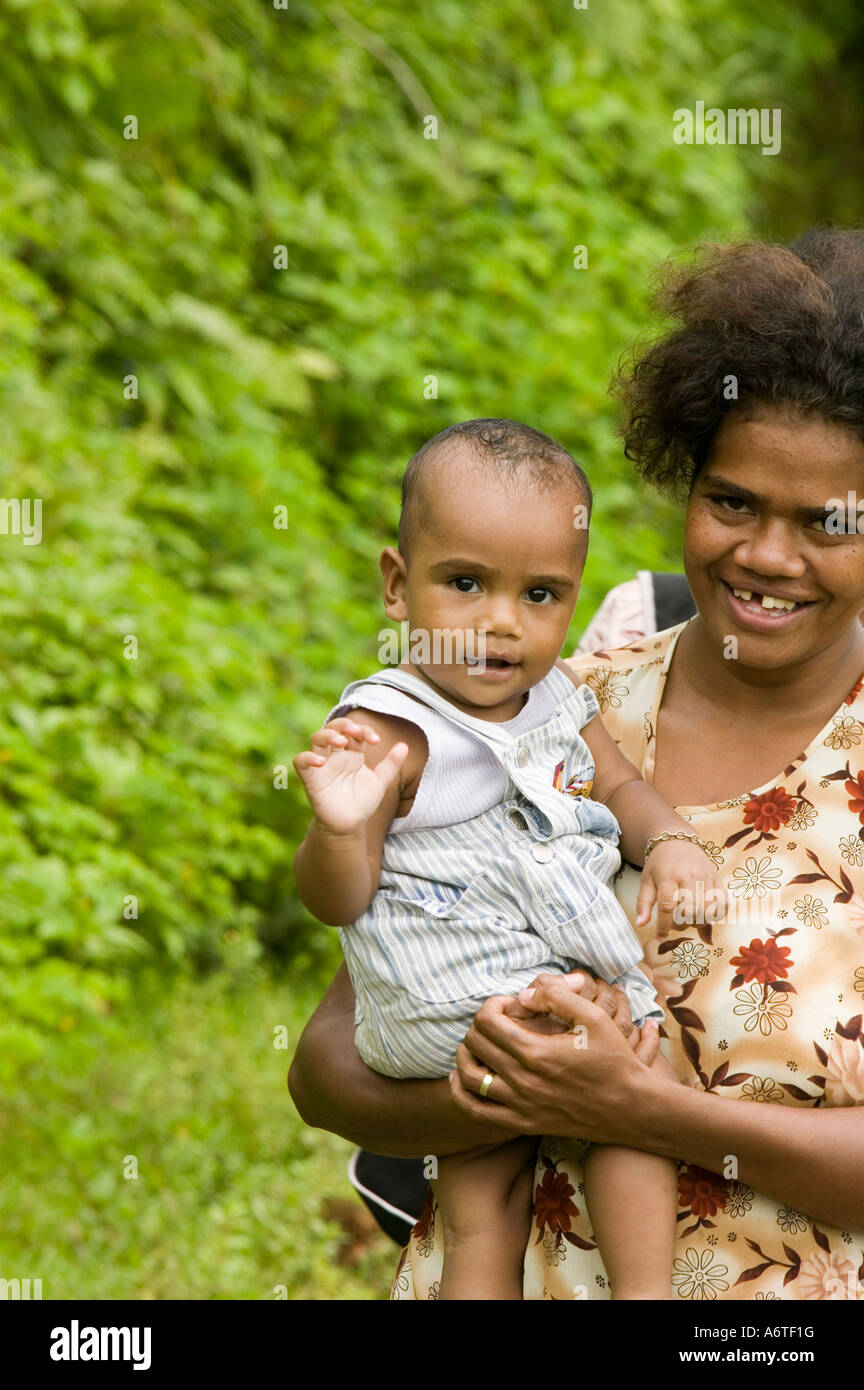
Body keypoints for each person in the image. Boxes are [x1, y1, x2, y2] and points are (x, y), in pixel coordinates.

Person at [289, 227, 864, 1301]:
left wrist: (641, 1110)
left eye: (827, 522)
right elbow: (327, 1062)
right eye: (732, 501)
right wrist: (519, 1093)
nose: (768, 556)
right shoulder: (550, 705)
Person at [292, 418, 726, 1299]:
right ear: (395, 585)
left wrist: (671, 839)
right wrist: (340, 831)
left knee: (479, 1201)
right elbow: (337, 903)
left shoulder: (558, 694)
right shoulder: (394, 728)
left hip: (492, 1008)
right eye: (464, 583)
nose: (500, 623)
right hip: (464, 1002)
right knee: (630, 1100)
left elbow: (620, 790)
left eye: (540, 596)